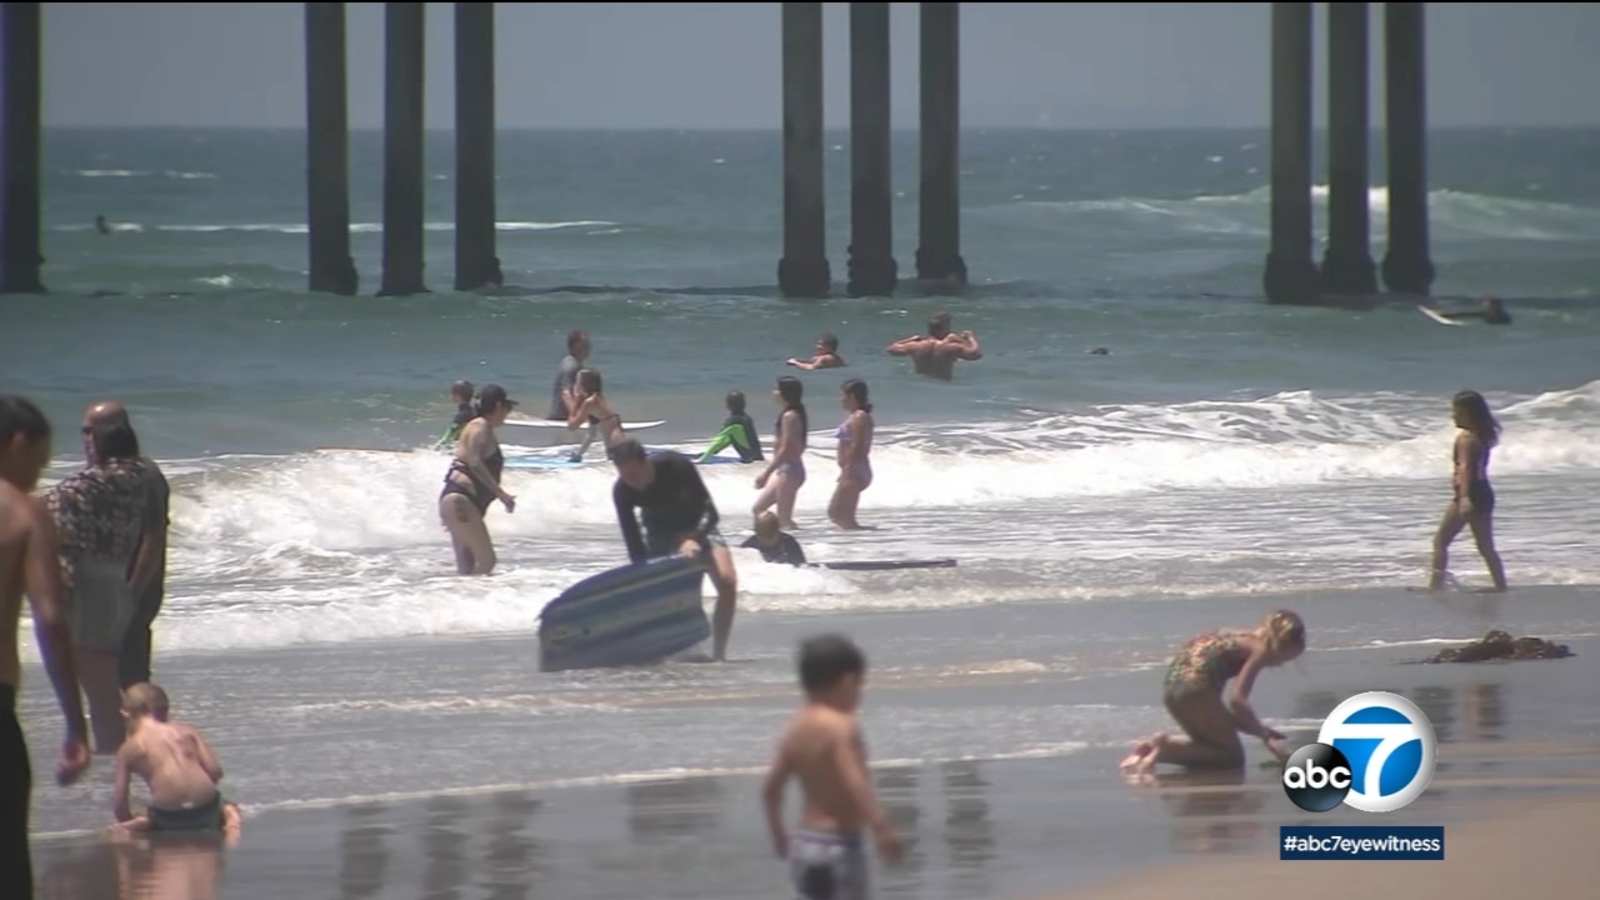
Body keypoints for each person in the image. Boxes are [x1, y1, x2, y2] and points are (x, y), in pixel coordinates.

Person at [1, 395, 93, 898]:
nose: (37, 476)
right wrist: (75, 723)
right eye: (38, 462)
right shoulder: (23, 511)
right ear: (17, 442)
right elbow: (50, 618)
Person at [45, 414, 164, 754]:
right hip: (117, 582)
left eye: (89, 433)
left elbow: (62, 546)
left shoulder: (80, 488)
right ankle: (136, 752)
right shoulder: (139, 480)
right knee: (111, 685)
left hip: (90, 589)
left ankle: (117, 761)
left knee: (101, 692)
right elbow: (152, 534)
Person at [761, 633, 903, 900]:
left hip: (804, 844)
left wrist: (778, 834)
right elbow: (855, 782)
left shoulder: (795, 728)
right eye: (860, 686)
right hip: (838, 844)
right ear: (848, 681)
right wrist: (881, 826)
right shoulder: (841, 726)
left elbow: (771, 790)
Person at [1120, 609, 1306, 774]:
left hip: (1172, 688)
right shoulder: (1260, 649)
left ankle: (1150, 749)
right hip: (1196, 688)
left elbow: (1222, 713)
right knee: (1232, 758)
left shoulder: (1232, 634)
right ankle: (1165, 750)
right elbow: (1237, 700)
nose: (1278, 664)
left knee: (1210, 745)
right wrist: (1266, 738)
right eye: (1283, 658)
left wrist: (1259, 730)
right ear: (1282, 643)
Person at [609, 440, 740, 661]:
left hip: (699, 526)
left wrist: (693, 538)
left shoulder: (676, 465)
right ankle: (660, 650)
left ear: (646, 463)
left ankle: (719, 655)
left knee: (727, 581)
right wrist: (642, 574)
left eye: (634, 475)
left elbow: (711, 512)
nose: (631, 482)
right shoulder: (622, 491)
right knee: (661, 597)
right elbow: (634, 543)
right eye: (624, 476)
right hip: (660, 535)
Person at [81, 402, 172, 691]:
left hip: (134, 587)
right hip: (106, 590)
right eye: (84, 432)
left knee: (130, 672)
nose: (87, 440)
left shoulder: (144, 475)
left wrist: (131, 593)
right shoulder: (97, 475)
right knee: (105, 674)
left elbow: (153, 537)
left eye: (92, 432)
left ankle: (144, 719)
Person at [112, 682, 242, 837]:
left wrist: (126, 819)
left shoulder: (128, 749)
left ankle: (146, 820)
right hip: (208, 810)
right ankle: (228, 811)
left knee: (144, 816)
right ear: (166, 710)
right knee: (223, 801)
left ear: (126, 714)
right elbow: (215, 771)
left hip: (169, 818)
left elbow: (120, 803)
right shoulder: (186, 731)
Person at [1430, 390, 1508, 592]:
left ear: (1470, 414)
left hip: (1470, 493)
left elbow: (1466, 469)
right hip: (1483, 492)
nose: (1454, 416)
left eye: (1458, 412)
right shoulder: (1482, 436)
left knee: (1441, 542)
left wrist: (1464, 498)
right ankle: (1501, 586)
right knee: (1486, 547)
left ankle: (1435, 586)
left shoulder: (1466, 439)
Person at [438, 383, 518, 576]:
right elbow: (474, 461)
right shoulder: (481, 426)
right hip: (461, 501)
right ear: (498, 406)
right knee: (487, 561)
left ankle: (460, 595)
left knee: (467, 569)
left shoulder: (474, 425)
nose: (507, 414)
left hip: (456, 501)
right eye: (507, 408)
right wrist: (501, 494)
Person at [753, 376, 809, 531]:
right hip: (789, 469)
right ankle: (772, 539)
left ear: (785, 393)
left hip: (790, 470)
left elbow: (785, 448)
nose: (774, 392)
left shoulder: (789, 416)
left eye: (777, 389)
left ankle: (792, 543)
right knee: (758, 509)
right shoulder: (794, 413)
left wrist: (766, 473)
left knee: (784, 520)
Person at [828, 379, 875, 531]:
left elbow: (857, 445)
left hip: (855, 469)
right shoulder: (856, 415)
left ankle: (860, 539)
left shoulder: (859, 416)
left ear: (852, 396)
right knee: (834, 513)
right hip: (851, 469)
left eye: (842, 395)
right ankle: (860, 536)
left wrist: (848, 470)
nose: (840, 399)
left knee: (844, 517)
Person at [885, 311, 982, 380]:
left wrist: (910, 339)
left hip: (921, 385)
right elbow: (975, 354)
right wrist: (970, 338)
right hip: (944, 386)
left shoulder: (916, 346)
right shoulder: (951, 347)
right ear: (946, 327)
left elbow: (891, 349)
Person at [565, 368, 625, 461]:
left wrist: (572, 400)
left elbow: (572, 427)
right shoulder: (598, 399)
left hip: (615, 445)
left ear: (584, 384)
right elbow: (591, 434)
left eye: (577, 381)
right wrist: (579, 454)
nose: (575, 385)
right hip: (617, 442)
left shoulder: (590, 403)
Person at [699, 390, 764, 464]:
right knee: (732, 433)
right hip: (757, 456)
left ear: (728, 405)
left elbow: (719, 440)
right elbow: (729, 439)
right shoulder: (747, 418)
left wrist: (704, 457)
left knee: (728, 433)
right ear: (744, 404)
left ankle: (706, 456)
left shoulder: (733, 421)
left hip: (749, 458)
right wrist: (715, 451)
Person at [546, 330, 591, 422]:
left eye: (587, 344)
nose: (588, 347)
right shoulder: (571, 366)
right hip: (561, 419)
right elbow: (566, 393)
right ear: (574, 347)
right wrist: (575, 418)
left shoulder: (574, 364)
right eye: (584, 344)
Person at [741, 511, 807, 566]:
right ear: (756, 532)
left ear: (777, 531)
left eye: (771, 536)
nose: (767, 541)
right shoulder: (751, 544)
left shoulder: (788, 542)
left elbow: (802, 565)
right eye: (763, 536)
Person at [436, 380, 477, 449]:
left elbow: (449, 434)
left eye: (452, 393)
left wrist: (436, 447)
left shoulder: (461, 415)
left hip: (461, 447)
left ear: (457, 395)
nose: (450, 396)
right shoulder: (472, 411)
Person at [1437, 295, 1512, 326]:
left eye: (1493, 306)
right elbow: (1464, 314)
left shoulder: (1505, 318)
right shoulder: (1483, 314)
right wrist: (1447, 316)